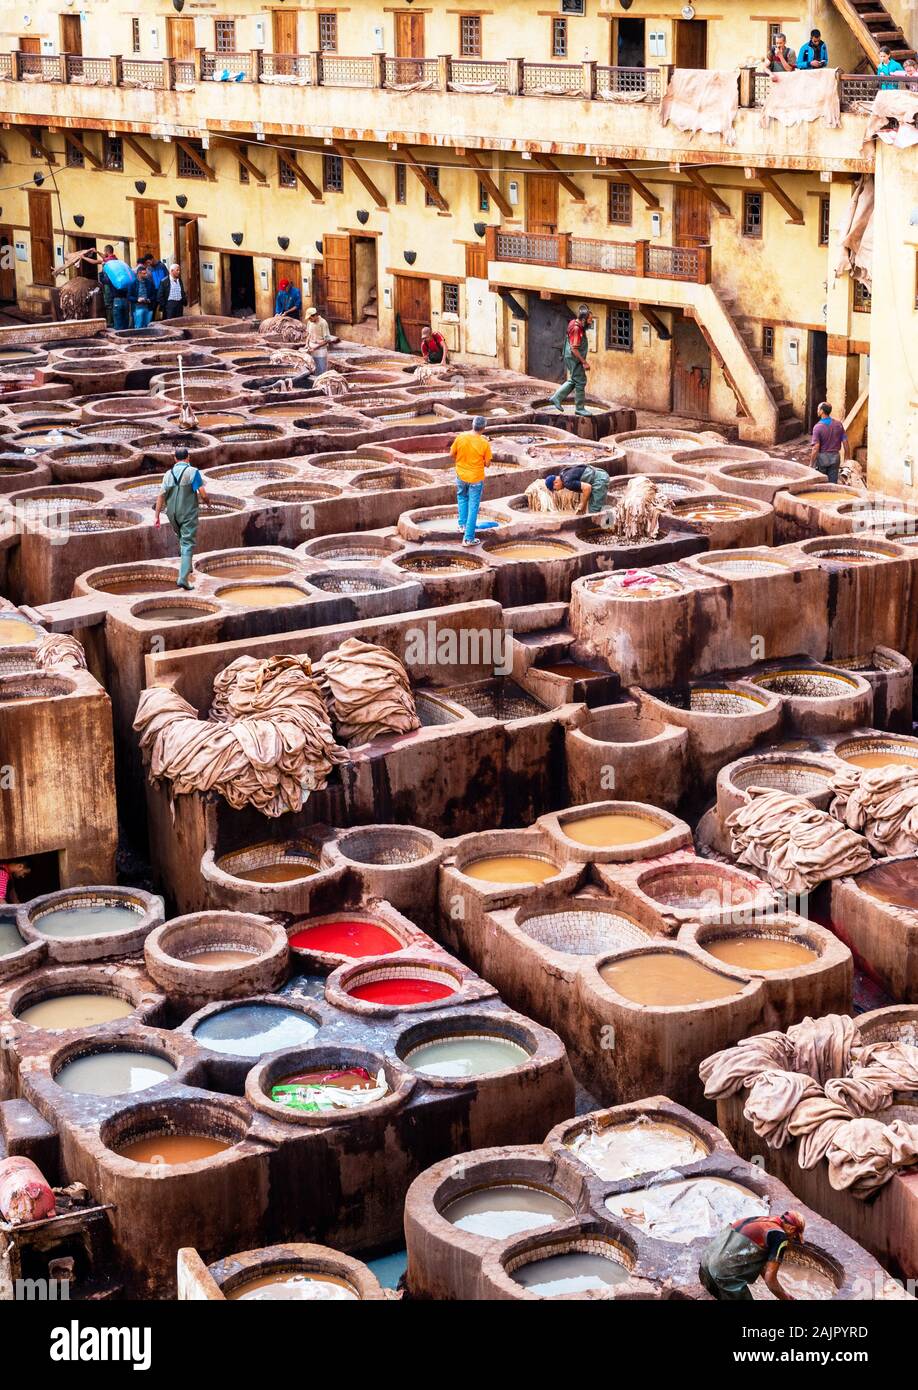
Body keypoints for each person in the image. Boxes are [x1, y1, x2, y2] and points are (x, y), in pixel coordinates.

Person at [699, 1211, 806, 1301]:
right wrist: (786, 1298)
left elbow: (759, 1263)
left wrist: (782, 1292)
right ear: (792, 1229)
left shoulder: (761, 1220)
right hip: (723, 1274)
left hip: (705, 1265)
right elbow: (770, 1279)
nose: (792, 1239)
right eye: (795, 1236)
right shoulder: (780, 1237)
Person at [154, 446, 209, 590]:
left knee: (182, 539)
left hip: (172, 513)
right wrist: (207, 502)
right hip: (187, 513)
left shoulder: (168, 474)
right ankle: (183, 578)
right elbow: (202, 493)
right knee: (187, 543)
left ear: (174, 459)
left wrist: (157, 516)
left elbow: (161, 496)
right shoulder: (193, 472)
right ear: (188, 457)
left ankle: (188, 566)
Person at [450, 415, 492, 546]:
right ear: (483, 428)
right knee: (473, 507)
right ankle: (468, 538)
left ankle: (462, 525)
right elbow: (488, 463)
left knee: (462, 498)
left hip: (461, 475)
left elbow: (451, 454)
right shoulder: (484, 443)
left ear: (472, 425)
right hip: (475, 478)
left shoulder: (461, 437)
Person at [548, 305, 593, 416]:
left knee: (574, 380)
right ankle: (579, 408)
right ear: (583, 320)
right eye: (590, 320)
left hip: (570, 356)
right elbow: (574, 349)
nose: (591, 323)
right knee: (580, 381)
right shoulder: (577, 329)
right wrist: (584, 362)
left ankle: (556, 397)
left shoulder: (574, 322)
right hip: (574, 358)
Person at [543, 463, 610, 515]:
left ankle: (603, 527)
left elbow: (587, 488)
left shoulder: (567, 482)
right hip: (599, 472)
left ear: (555, 483)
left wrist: (582, 505)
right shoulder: (563, 473)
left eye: (555, 489)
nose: (557, 491)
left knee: (594, 511)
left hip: (599, 480)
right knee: (595, 506)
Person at [810, 401, 848, 484]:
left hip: (822, 459)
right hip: (835, 458)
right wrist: (846, 458)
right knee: (833, 484)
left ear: (822, 411)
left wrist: (811, 464)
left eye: (818, 409)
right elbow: (845, 442)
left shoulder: (817, 427)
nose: (817, 410)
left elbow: (816, 447)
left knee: (821, 483)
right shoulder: (838, 424)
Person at [99, 255, 135, 331]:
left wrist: (102, 270)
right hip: (126, 301)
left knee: (118, 323)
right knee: (126, 321)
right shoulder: (125, 279)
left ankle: (119, 338)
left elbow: (102, 280)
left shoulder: (113, 279)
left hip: (117, 301)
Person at [303, 305, 331, 375]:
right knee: (312, 368)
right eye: (309, 319)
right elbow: (309, 334)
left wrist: (315, 348)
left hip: (320, 349)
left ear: (315, 315)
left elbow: (327, 340)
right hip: (311, 347)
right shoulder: (310, 322)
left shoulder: (323, 323)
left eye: (310, 318)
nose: (309, 320)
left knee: (321, 369)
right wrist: (306, 344)